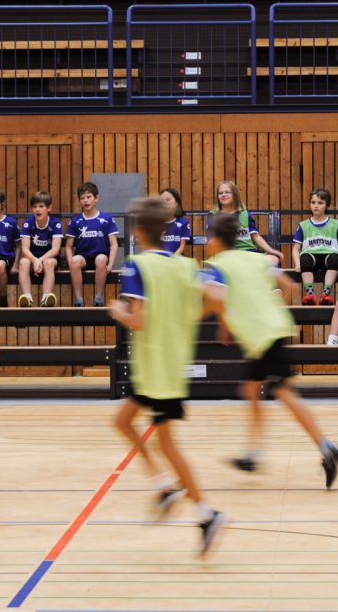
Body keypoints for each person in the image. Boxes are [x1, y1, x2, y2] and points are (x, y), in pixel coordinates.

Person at [110, 195, 228, 557]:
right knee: (128, 423)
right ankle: (175, 494)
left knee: (158, 440)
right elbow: (217, 295)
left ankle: (199, 507)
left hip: (154, 370)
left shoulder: (138, 266)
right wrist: (199, 316)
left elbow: (139, 319)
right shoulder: (184, 266)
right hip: (169, 368)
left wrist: (118, 311)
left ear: (138, 231)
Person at [203, 212, 338, 488]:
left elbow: (217, 298)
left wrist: (221, 318)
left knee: (282, 390)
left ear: (216, 240)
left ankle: (328, 447)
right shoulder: (258, 259)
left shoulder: (218, 265)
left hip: (261, 334)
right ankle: (253, 453)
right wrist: (269, 307)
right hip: (271, 329)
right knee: (251, 389)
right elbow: (289, 286)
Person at [66, 182, 119, 307]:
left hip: (100, 256)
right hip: (83, 258)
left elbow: (114, 244)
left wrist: (110, 263)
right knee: (74, 261)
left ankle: (98, 298)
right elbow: (68, 246)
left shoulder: (106, 219)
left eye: (88, 197)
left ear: (96, 198)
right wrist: (70, 262)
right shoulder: (76, 221)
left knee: (101, 260)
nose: (86, 200)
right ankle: (79, 300)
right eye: (82, 198)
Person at [207, 180, 283, 266]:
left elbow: (256, 236)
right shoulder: (213, 215)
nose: (223, 195)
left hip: (248, 252)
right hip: (227, 254)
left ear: (234, 195)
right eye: (220, 193)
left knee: (273, 259)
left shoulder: (245, 214)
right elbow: (211, 240)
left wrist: (271, 251)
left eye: (227, 192)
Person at [292, 188, 338, 306]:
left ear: (327, 205)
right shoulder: (303, 225)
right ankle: (309, 295)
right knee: (305, 258)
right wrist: (297, 264)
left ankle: (325, 295)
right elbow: (296, 248)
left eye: (320, 203)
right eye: (313, 202)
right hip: (311, 257)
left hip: (328, 257)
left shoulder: (335, 224)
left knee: (334, 259)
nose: (316, 206)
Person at [17, 191, 63, 307]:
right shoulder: (28, 223)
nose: (37, 209)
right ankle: (27, 298)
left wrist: (40, 260)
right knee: (23, 262)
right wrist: (34, 260)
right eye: (35, 206)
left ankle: (46, 298)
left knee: (48, 263)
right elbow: (25, 249)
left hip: (49, 258)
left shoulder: (55, 223)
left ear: (49, 208)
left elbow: (55, 249)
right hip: (32, 258)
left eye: (41, 206)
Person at [158, 188, 191, 256]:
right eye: (161, 201)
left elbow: (182, 246)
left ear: (176, 203)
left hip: (176, 260)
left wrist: (172, 259)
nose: (164, 203)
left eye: (168, 199)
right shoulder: (155, 223)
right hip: (159, 260)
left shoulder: (183, 222)